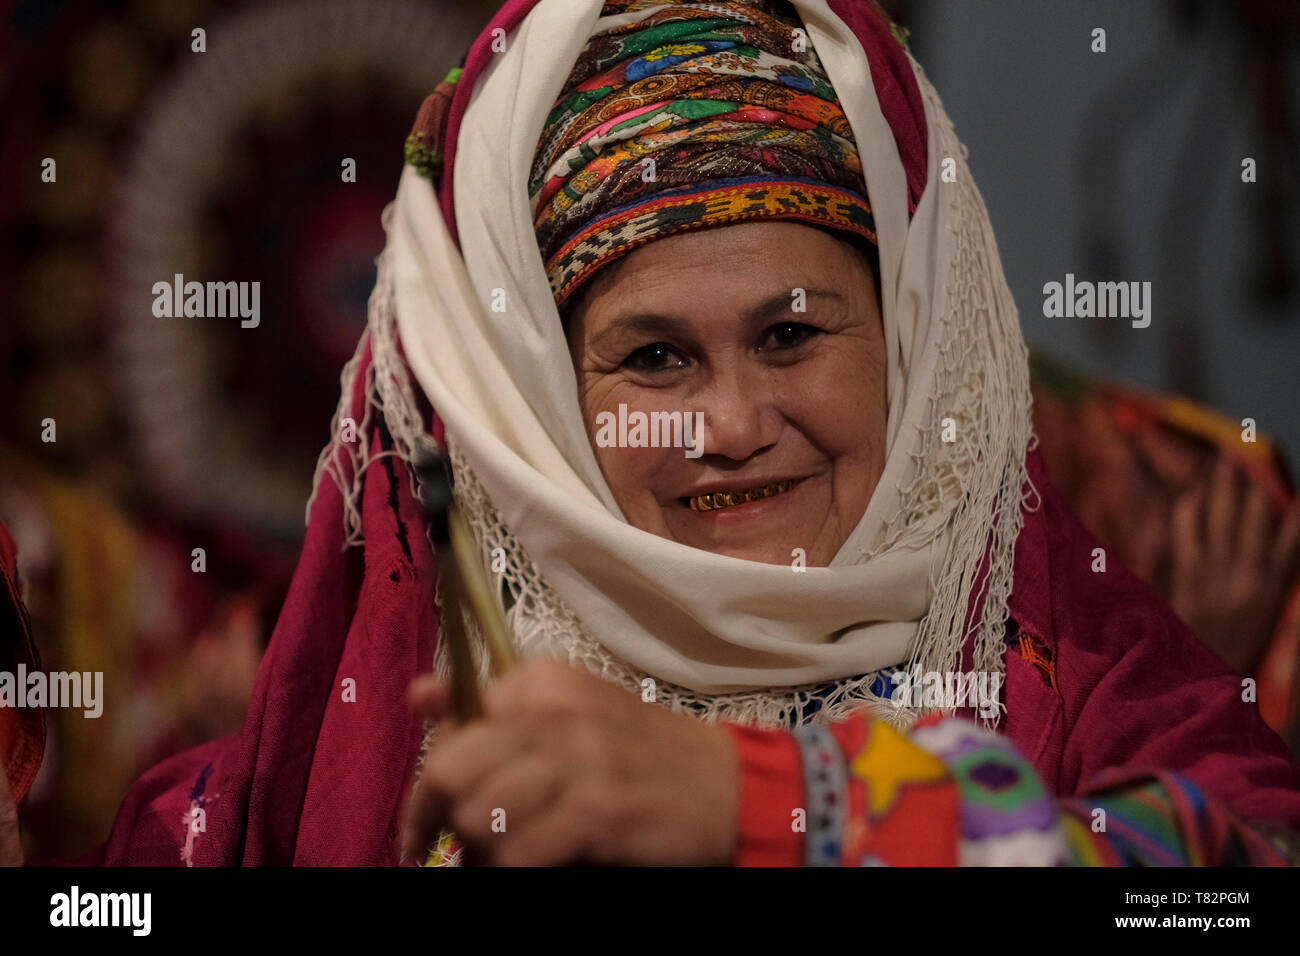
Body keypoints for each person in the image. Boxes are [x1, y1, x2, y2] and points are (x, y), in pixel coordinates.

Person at [5, 0, 1300, 866]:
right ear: (535, 409)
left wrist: (768, 805)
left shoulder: (1088, 682)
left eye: (794, 335)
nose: (735, 426)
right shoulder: (262, 813)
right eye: (655, 358)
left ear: (911, 345)